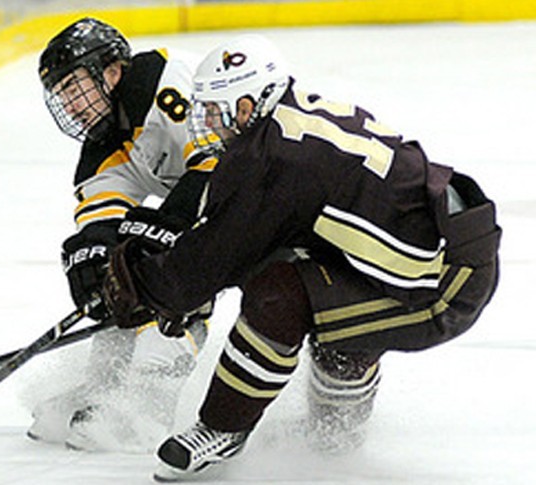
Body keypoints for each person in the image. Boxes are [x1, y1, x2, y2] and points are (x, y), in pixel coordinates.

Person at [103, 34, 501, 480]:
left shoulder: (273, 158)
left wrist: (146, 284)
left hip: (443, 284)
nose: (208, 123)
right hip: (439, 250)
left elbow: (210, 262)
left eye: (216, 111)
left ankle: (221, 429)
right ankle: (336, 436)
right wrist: (178, 277)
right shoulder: (288, 123)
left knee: (279, 295)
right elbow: (237, 245)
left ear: (248, 106)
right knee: (309, 281)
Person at [32, 17, 218, 451]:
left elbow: (219, 164)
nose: (71, 105)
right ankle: (106, 387)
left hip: (273, 204)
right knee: (122, 278)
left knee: (177, 272)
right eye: (61, 94)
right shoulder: (104, 147)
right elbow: (103, 219)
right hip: (224, 206)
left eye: (75, 86)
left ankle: (150, 404)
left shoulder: (168, 86)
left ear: (112, 71)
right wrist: (98, 262)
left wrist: (167, 227)